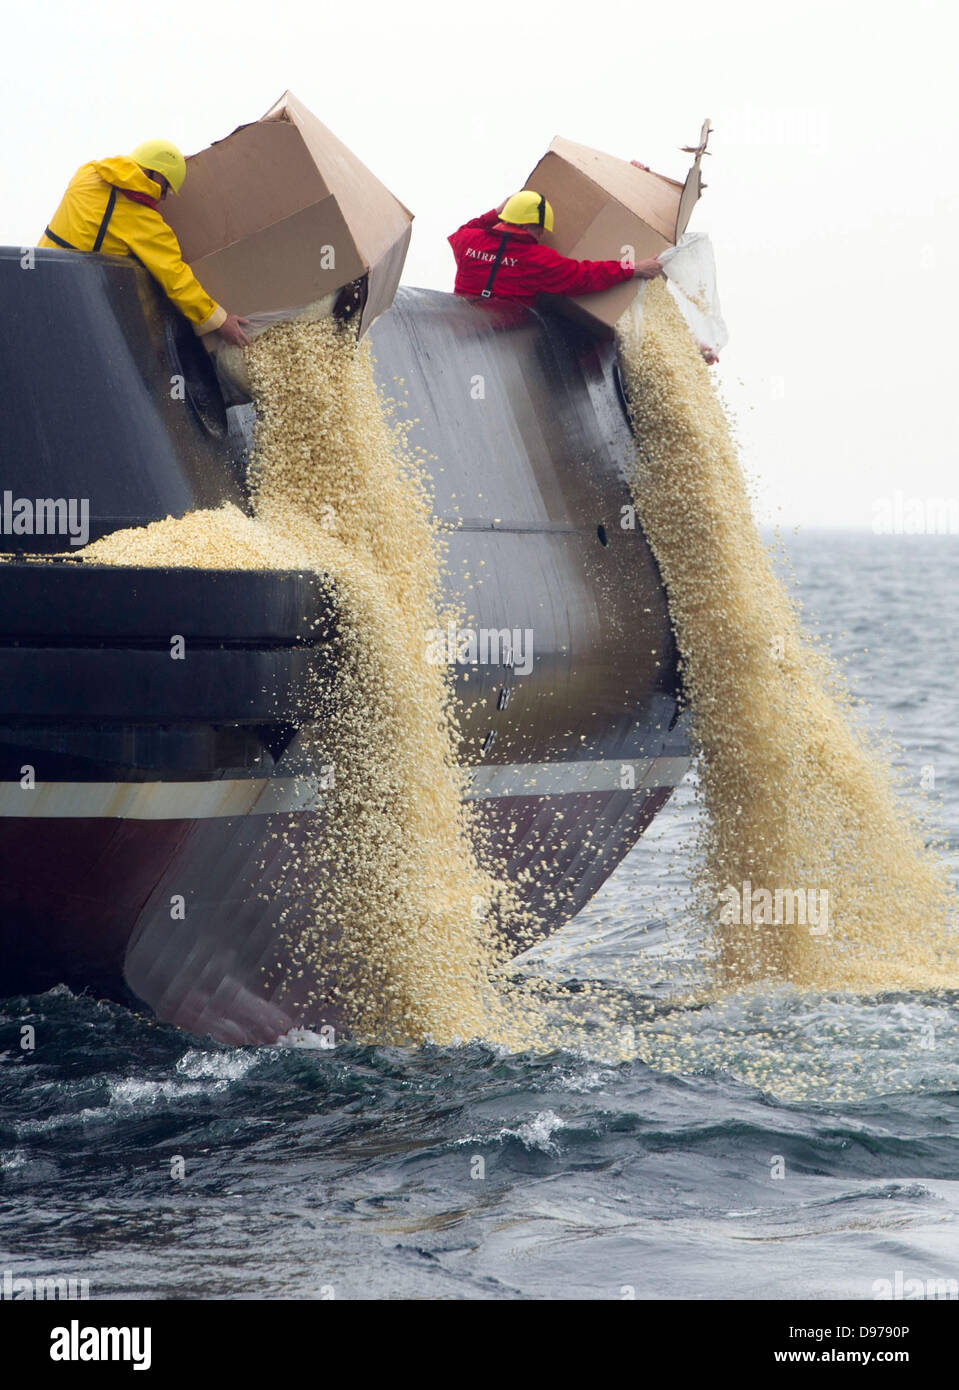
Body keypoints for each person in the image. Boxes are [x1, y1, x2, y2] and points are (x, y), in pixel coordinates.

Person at [39, 139, 250, 347]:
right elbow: (175, 277)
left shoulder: (87, 173)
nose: (164, 197)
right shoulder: (144, 222)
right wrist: (218, 320)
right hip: (77, 309)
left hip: (37, 281)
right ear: (155, 174)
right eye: (166, 187)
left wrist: (170, 167)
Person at [449, 190, 663, 304]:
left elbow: (466, 228)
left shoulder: (467, 240)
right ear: (526, 224)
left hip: (462, 322)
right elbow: (585, 276)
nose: (541, 234)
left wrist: (496, 211)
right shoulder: (536, 260)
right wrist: (635, 268)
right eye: (539, 228)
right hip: (504, 338)